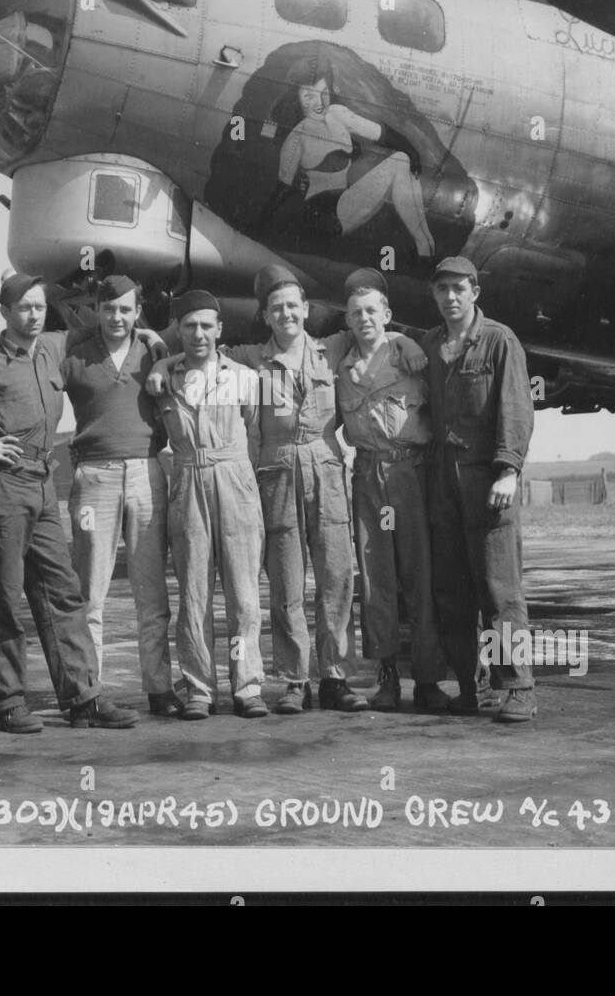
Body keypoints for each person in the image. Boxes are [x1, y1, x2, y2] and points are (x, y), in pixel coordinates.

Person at [147, 264, 427, 714]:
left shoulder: (330, 348)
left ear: (306, 309)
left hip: (326, 466)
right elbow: (198, 353)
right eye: (276, 308)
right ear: (264, 315)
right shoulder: (251, 358)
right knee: (286, 583)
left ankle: (334, 676)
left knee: (337, 576)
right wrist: (160, 358)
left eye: (293, 306)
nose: (286, 314)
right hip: (276, 472)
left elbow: (376, 334)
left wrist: (407, 340)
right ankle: (295, 680)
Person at [0, 272, 138, 733]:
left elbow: (109, 325)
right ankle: (8, 702)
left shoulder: (55, 346)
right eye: (24, 308)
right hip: (2, 486)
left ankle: (83, 700)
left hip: (42, 484)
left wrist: (150, 333)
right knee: (3, 597)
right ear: (4, 313)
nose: (34, 315)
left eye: (40, 307)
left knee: (63, 593)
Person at [420, 256, 538, 723]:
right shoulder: (428, 345)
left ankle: (519, 688)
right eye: (443, 289)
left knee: (499, 588)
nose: (451, 296)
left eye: (459, 288)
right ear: (435, 295)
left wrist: (508, 469)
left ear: (475, 292)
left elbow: (516, 406)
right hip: (441, 480)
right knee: (451, 589)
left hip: (487, 480)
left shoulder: (498, 340)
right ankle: (470, 686)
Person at [60, 275, 179, 716]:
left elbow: (193, 353)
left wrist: (157, 342)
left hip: (147, 472)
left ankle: (160, 688)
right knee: (91, 594)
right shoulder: (72, 352)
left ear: (137, 310)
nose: (117, 317)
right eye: (108, 309)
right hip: (95, 476)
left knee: (152, 593)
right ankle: (87, 692)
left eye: (126, 310)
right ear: (95, 308)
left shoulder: (153, 351)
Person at [335, 269, 449, 714]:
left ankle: (427, 679)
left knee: (419, 577)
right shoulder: (340, 367)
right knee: (376, 580)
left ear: (387, 314)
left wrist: (405, 340)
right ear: (347, 320)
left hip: (410, 474)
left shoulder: (410, 357)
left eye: (371, 311)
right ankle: (386, 679)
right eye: (355, 313)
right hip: (367, 476)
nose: (364, 319)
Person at [151, 290, 267, 720]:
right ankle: (199, 688)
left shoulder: (243, 377)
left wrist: (238, 476)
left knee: (243, 593)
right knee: (194, 593)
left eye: (206, 326)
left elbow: (255, 431)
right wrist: (160, 361)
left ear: (220, 329)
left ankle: (248, 686)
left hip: (234, 479)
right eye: (189, 326)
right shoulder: (164, 379)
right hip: (187, 480)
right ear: (178, 331)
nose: (198, 334)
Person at [256, 58, 435, 260]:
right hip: (322, 215)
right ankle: (424, 248)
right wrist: (259, 226)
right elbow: (283, 187)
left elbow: (380, 133)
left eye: (324, 93)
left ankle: (425, 243)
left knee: (403, 158)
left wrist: (411, 149)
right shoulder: (297, 137)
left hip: (345, 204)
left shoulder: (337, 114)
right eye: (308, 96)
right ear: (296, 97)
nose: (319, 103)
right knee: (401, 160)